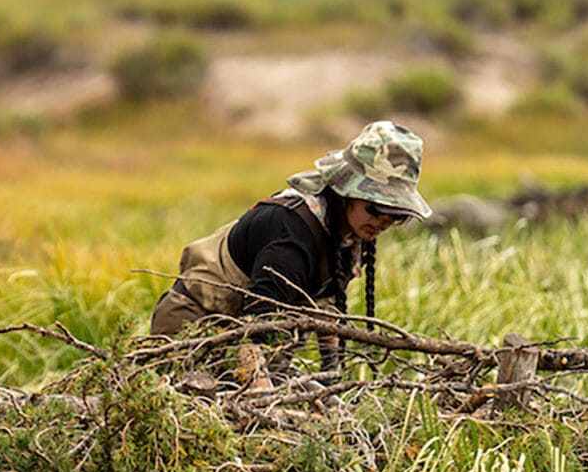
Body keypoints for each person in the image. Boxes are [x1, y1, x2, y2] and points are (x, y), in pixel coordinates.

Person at [148, 121, 431, 386]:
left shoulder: (349, 231)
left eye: (396, 215)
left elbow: (327, 313)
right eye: (377, 208)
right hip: (195, 328)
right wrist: (263, 398)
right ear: (347, 192)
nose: (385, 221)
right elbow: (254, 329)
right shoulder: (291, 235)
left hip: (262, 340)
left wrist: (331, 379)